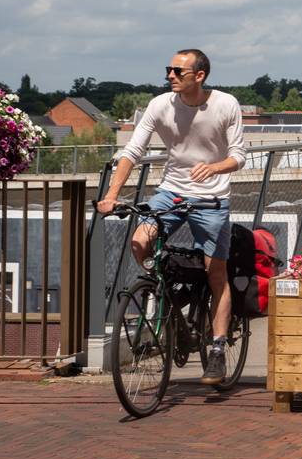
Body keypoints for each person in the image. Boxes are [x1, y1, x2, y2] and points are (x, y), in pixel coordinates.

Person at [97, 49, 246, 386]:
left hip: (212, 197)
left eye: (178, 70)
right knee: (140, 240)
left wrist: (214, 167)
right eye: (169, 70)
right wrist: (111, 195)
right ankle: (168, 298)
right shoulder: (160, 105)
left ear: (200, 75)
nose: (171, 76)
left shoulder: (225, 105)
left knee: (215, 272)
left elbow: (239, 155)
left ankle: (219, 347)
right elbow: (132, 151)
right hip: (172, 192)